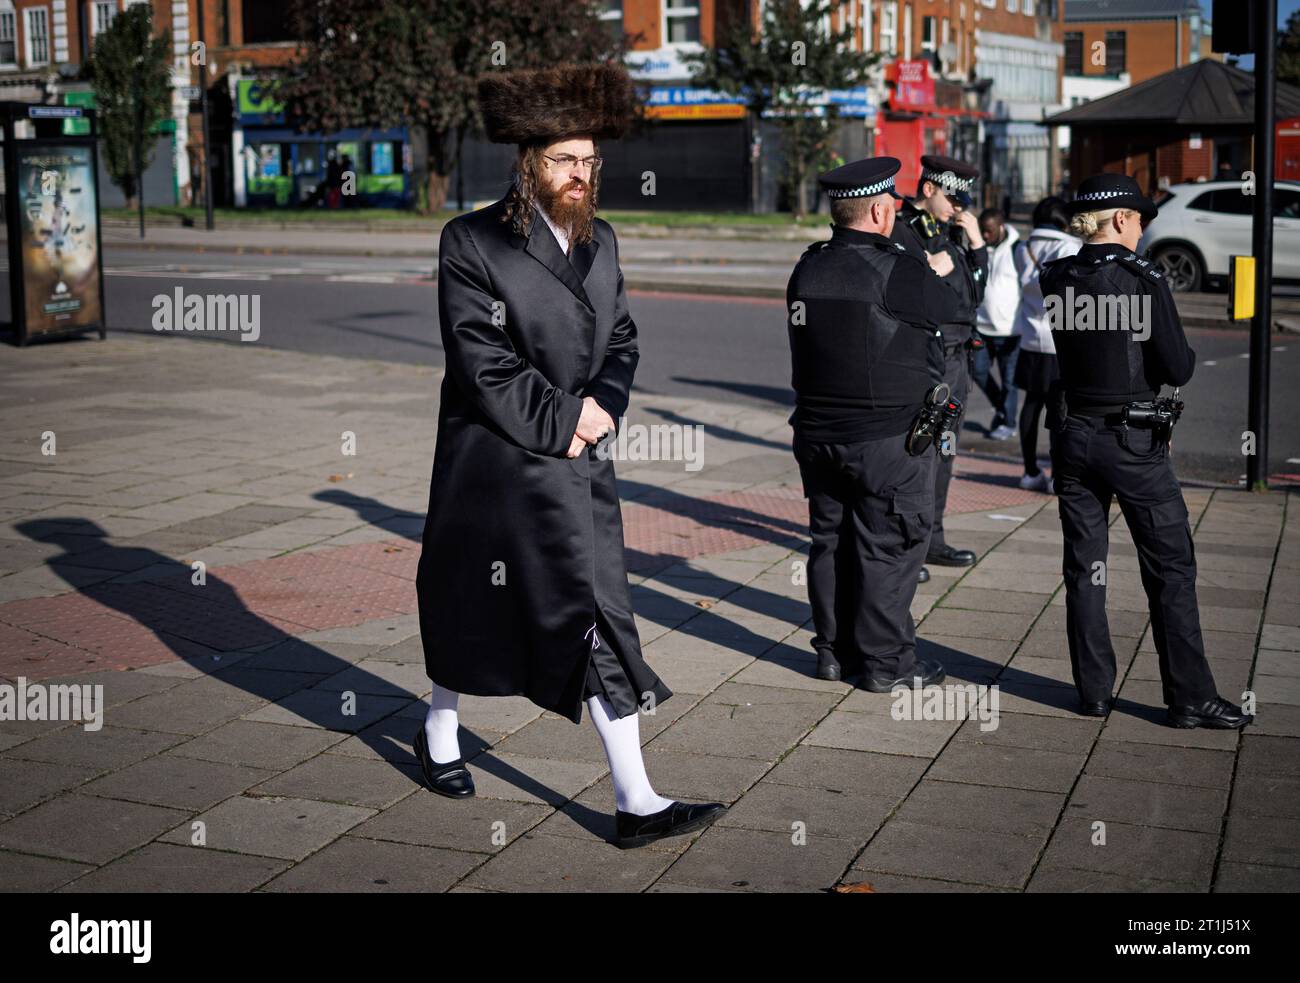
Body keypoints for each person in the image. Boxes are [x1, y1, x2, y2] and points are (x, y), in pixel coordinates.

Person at [415, 62, 726, 848]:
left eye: (590, 159)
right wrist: (568, 416)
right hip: (496, 463)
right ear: (529, 164)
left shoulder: (604, 240)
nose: (581, 174)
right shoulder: (470, 241)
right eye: (564, 160)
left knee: (595, 611)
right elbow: (479, 361)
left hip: (579, 462)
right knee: (474, 602)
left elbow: (620, 337)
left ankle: (636, 798)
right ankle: (440, 725)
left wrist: (604, 409)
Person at [1039, 173, 1252, 729]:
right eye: (1138, 220)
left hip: (1072, 436)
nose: (1141, 231)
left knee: (1086, 569)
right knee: (1171, 569)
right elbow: (1176, 366)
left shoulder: (1055, 275)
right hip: (1131, 441)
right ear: (1120, 220)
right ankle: (1189, 698)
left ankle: (1093, 693)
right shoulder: (1141, 279)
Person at [788, 156, 956, 689]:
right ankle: (885, 665)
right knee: (889, 545)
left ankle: (832, 654)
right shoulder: (900, 268)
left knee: (830, 542)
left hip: (818, 435)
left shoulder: (808, 265)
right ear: (882, 210)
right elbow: (951, 312)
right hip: (888, 439)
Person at [891, 154, 988, 572]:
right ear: (928, 190)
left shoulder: (949, 230)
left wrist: (978, 244)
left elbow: (974, 294)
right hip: (929, 360)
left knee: (945, 452)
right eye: (952, 197)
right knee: (918, 453)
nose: (958, 207)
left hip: (958, 359)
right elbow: (899, 291)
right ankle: (906, 545)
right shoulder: (903, 230)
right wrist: (930, 268)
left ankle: (933, 538)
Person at [1011, 196, 1079, 493]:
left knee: (1032, 404)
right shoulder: (1068, 247)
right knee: (1060, 410)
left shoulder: (1023, 248)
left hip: (1030, 337)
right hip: (1059, 340)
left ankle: (1029, 471)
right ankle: (1056, 476)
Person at [973, 207, 1021, 441]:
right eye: (982, 230)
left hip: (1011, 329)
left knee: (1009, 381)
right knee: (978, 370)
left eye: (989, 231)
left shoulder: (1018, 249)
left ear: (1000, 227)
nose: (984, 236)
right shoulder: (979, 247)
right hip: (982, 326)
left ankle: (1009, 422)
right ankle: (1002, 408)